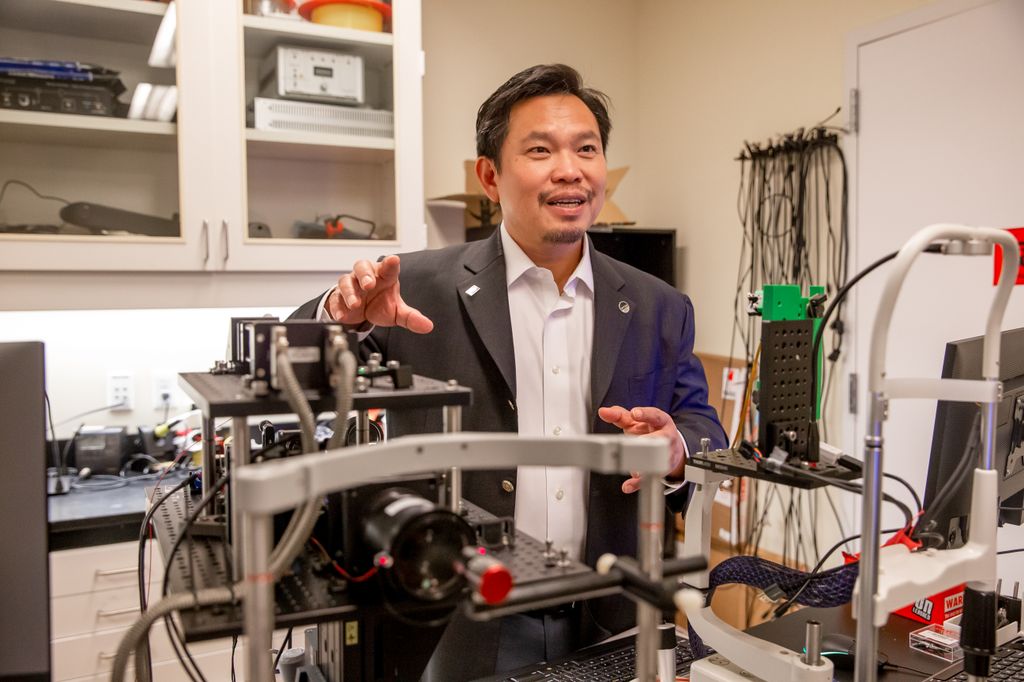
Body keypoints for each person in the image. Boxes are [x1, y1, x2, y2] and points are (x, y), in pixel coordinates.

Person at [291, 63, 727, 680]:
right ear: (490, 177)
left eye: (587, 149)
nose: (570, 169)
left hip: (615, 610)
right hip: (462, 617)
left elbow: (703, 424)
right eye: (541, 150)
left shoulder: (660, 305)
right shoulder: (413, 288)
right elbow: (296, 372)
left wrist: (677, 444)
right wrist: (342, 315)